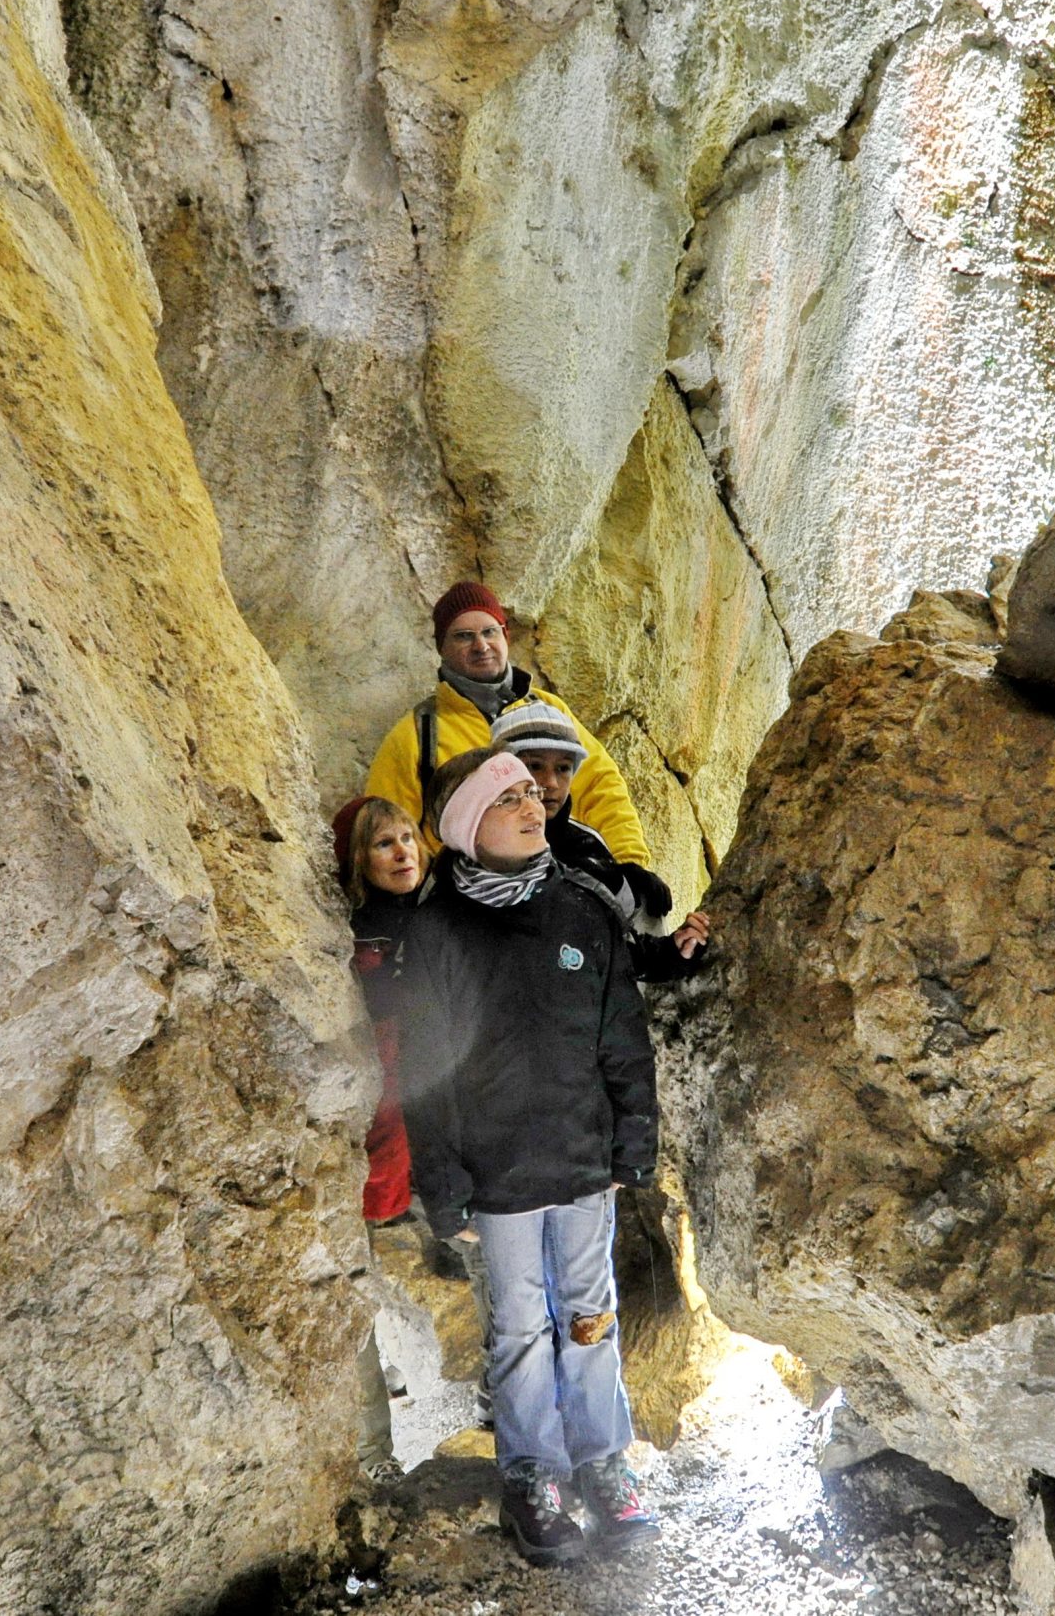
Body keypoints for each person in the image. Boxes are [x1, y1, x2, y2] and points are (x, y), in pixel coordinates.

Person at [399, 747, 660, 1565]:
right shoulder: (437, 930)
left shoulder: (581, 909)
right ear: (468, 826)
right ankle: (532, 1471)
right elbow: (423, 1075)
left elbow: (625, 1037)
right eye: (507, 797)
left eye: (531, 792)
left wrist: (635, 1140)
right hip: (499, 1174)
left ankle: (602, 1457)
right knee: (517, 1326)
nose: (532, 804)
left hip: (584, 1160)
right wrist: (445, 1189)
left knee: (590, 1315)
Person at [364, 582, 665, 896]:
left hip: (567, 889)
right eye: (463, 636)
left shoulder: (549, 711)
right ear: (441, 647)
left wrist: (629, 862)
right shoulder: (417, 733)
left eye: (490, 631)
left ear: (505, 635)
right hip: (468, 904)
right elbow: (386, 830)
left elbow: (600, 786)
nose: (480, 645)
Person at [333, 795, 428, 1487]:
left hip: (432, 1120)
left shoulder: (443, 915)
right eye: (382, 843)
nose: (401, 851)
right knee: (353, 1296)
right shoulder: (347, 937)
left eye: (407, 837)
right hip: (373, 1121)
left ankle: (500, 1412)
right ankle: (373, 1452)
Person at [489, 702, 709, 979]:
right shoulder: (474, 856)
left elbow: (617, 951)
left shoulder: (587, 845)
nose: (551, 783)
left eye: (563, 768)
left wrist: (673, 951)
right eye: (534, 766)